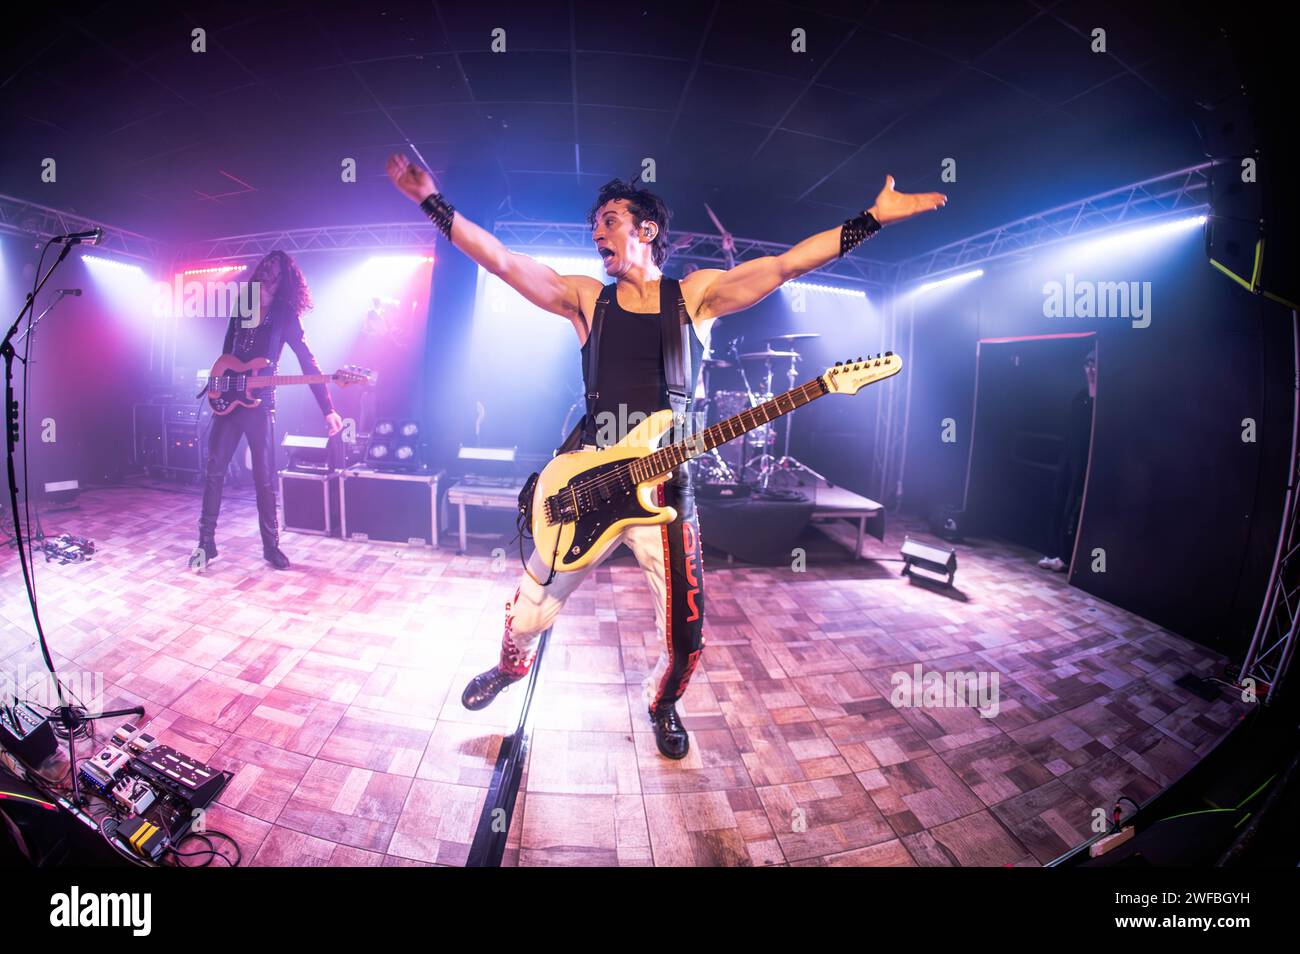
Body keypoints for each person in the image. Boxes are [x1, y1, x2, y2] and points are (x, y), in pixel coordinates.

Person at [387, 154, 945, 757]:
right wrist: (432, 204)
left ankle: (663, 703)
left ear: (646, 229)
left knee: (685, 636)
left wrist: (872, 220)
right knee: (526, 614)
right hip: (588, 481)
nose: (596, 233)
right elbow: (501, 260)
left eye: (608, 221)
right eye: (594, 225)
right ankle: (510, 665)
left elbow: (786, 264)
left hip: (667, 490)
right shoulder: (585, 299)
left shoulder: (696, 296)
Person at [196, 250, 343, 570]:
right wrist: (219, 382)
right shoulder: (244, 302)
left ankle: (271, 546)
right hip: (229, 401)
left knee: (263, 479)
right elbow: (227, 352)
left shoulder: (285, 314)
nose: (265, 271)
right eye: (264, 266)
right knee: (214, 470)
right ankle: (205, 543)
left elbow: (307, 360)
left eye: (273, 269)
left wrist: (327, 408)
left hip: (260, 404)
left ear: (283, 278)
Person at [1040, 348, 1096, 572]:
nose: (1090, 369)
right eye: (1087, 364)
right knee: (1058, 502)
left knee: (1073, 507)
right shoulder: (1080, 396)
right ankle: (1052, 552)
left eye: (1094, 364)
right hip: (1069, 457)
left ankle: (1064, 556)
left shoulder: (1103, 400)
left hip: (1086, 461)